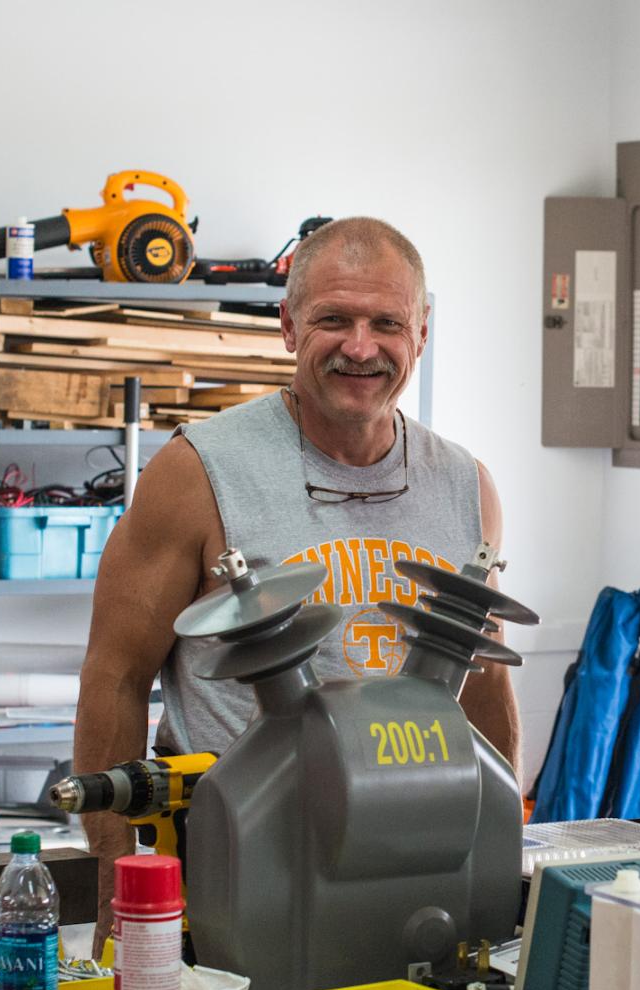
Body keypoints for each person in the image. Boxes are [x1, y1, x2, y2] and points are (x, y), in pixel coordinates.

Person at [73, 216, 519, 948]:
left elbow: (488, 690)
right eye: (332, 320)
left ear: (422, 332)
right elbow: (114, 676)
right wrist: (121, 901)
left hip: (413, 861)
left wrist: (497, 861)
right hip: (237, 863)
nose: (361, 347)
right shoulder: (199, 473)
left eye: (386, 323)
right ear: (286, 325)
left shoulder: (467, 488)